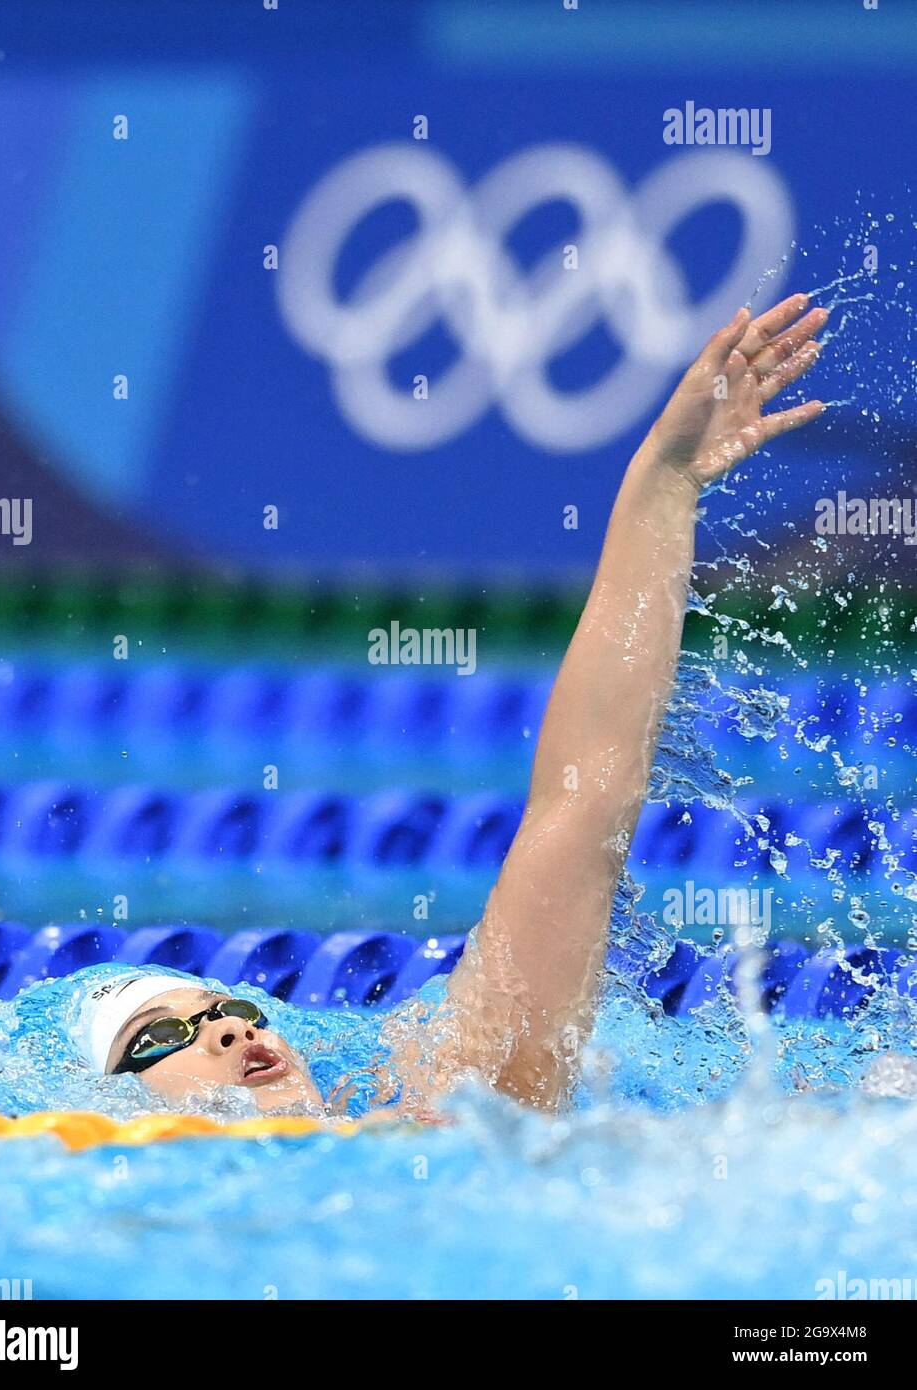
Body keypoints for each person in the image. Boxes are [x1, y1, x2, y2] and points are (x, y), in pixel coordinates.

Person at [69, 293, 827, 1114]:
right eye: (159, 1035)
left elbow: (582, 802)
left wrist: (664, 486)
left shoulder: (451, 1109)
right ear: (108, 1107)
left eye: (233, 1009)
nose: (227, 1029)